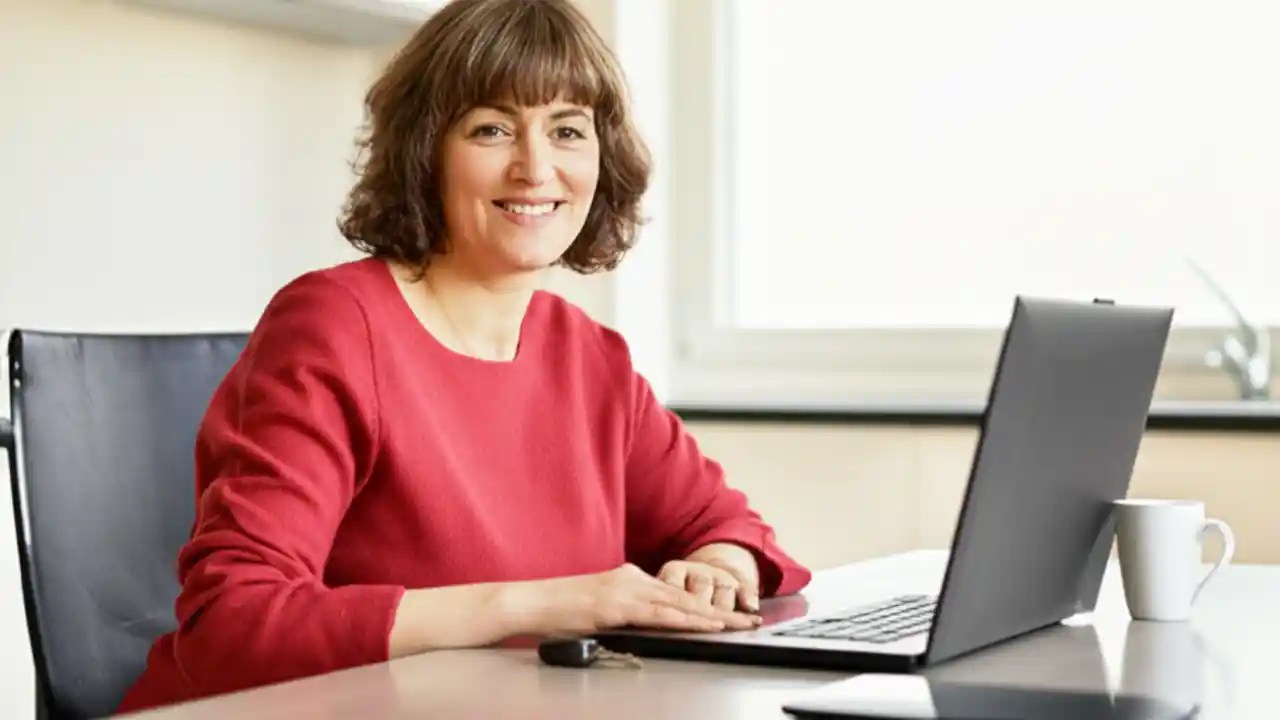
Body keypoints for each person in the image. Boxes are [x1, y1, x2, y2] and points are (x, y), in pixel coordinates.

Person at [117, 0, 810, 712]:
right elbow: (232, 627)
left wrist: (718, 566)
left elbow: (730, 526)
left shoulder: (589, 355)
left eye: (568, 130)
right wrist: (533, 606)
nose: (535, 167)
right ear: (427, 151)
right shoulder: (333, 326)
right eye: (492, 128)